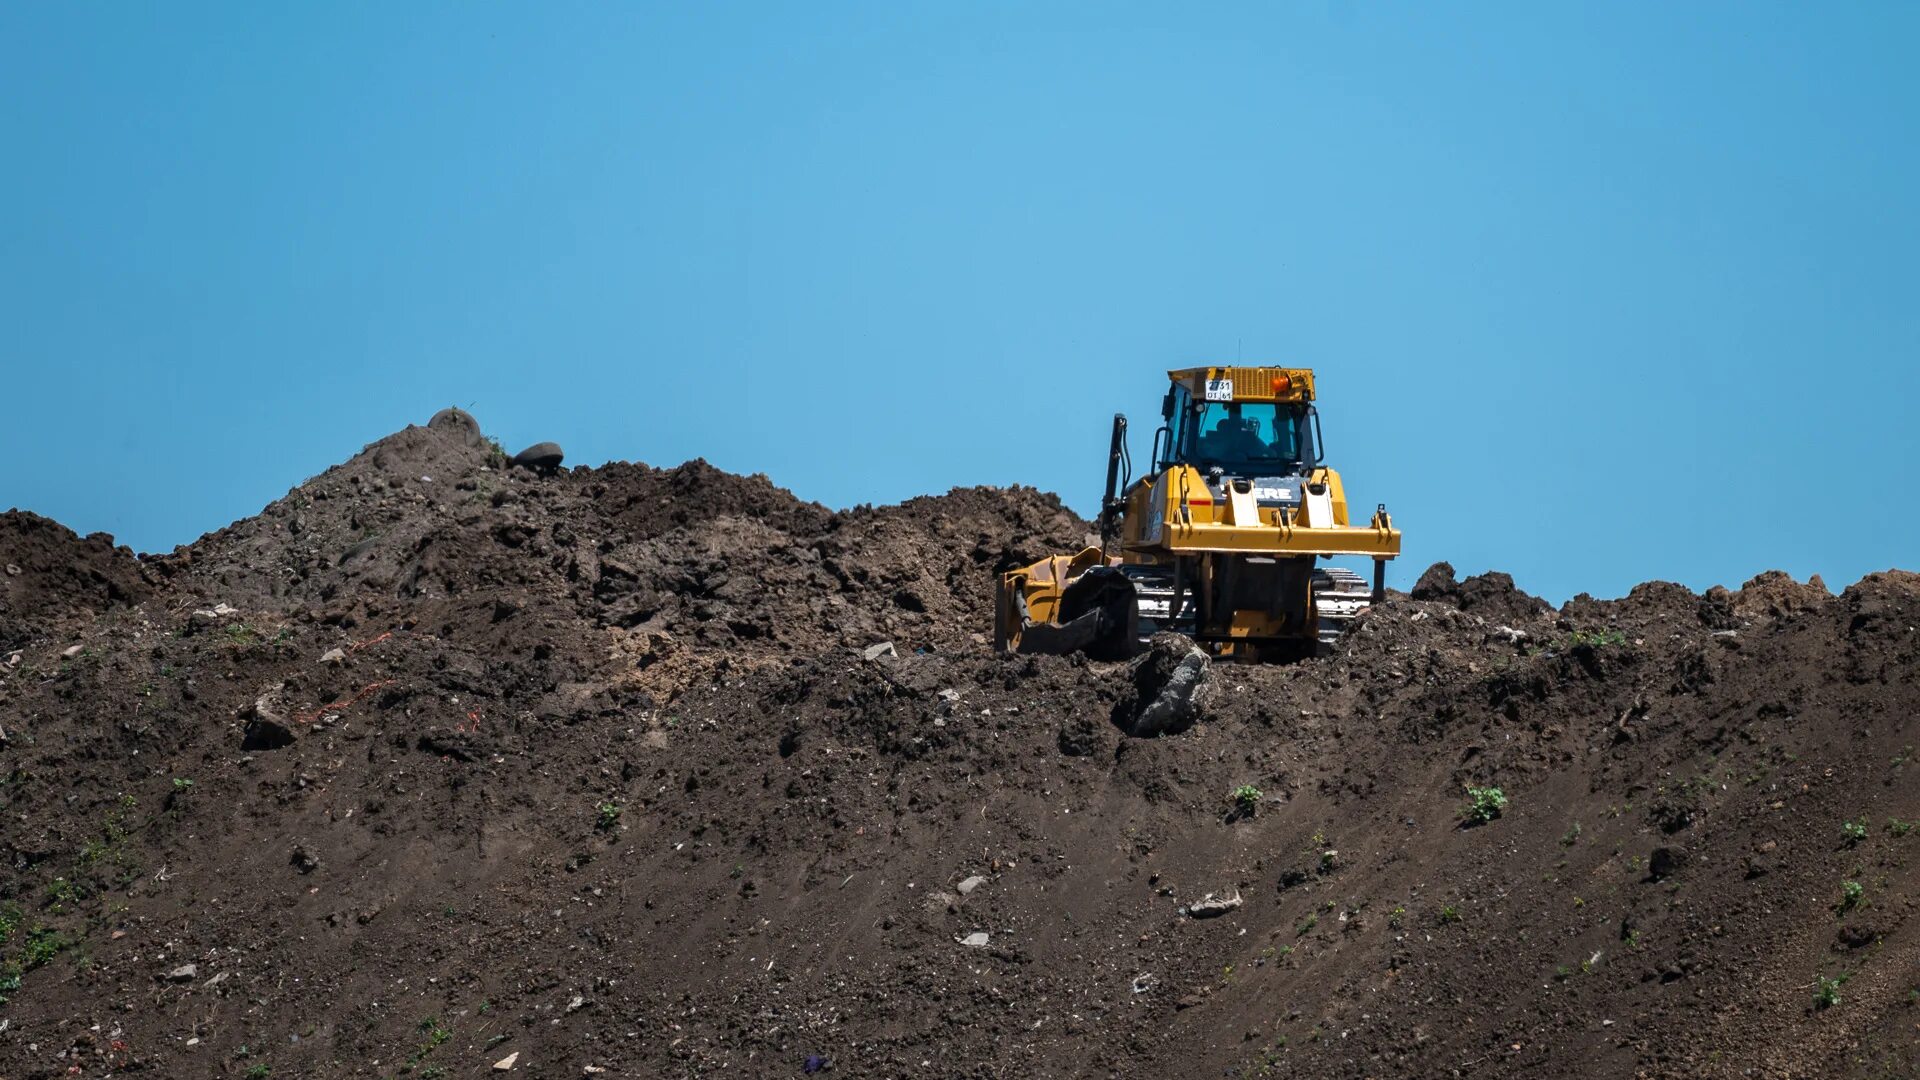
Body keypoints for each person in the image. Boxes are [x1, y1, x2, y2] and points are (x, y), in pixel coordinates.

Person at [1200, 403, 1267, 461]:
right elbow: (1208, 457)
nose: (1235, 431)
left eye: (1237, 428)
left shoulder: (1251, 441)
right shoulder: (1211, 444)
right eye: (1231, 428)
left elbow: (1271, 454)